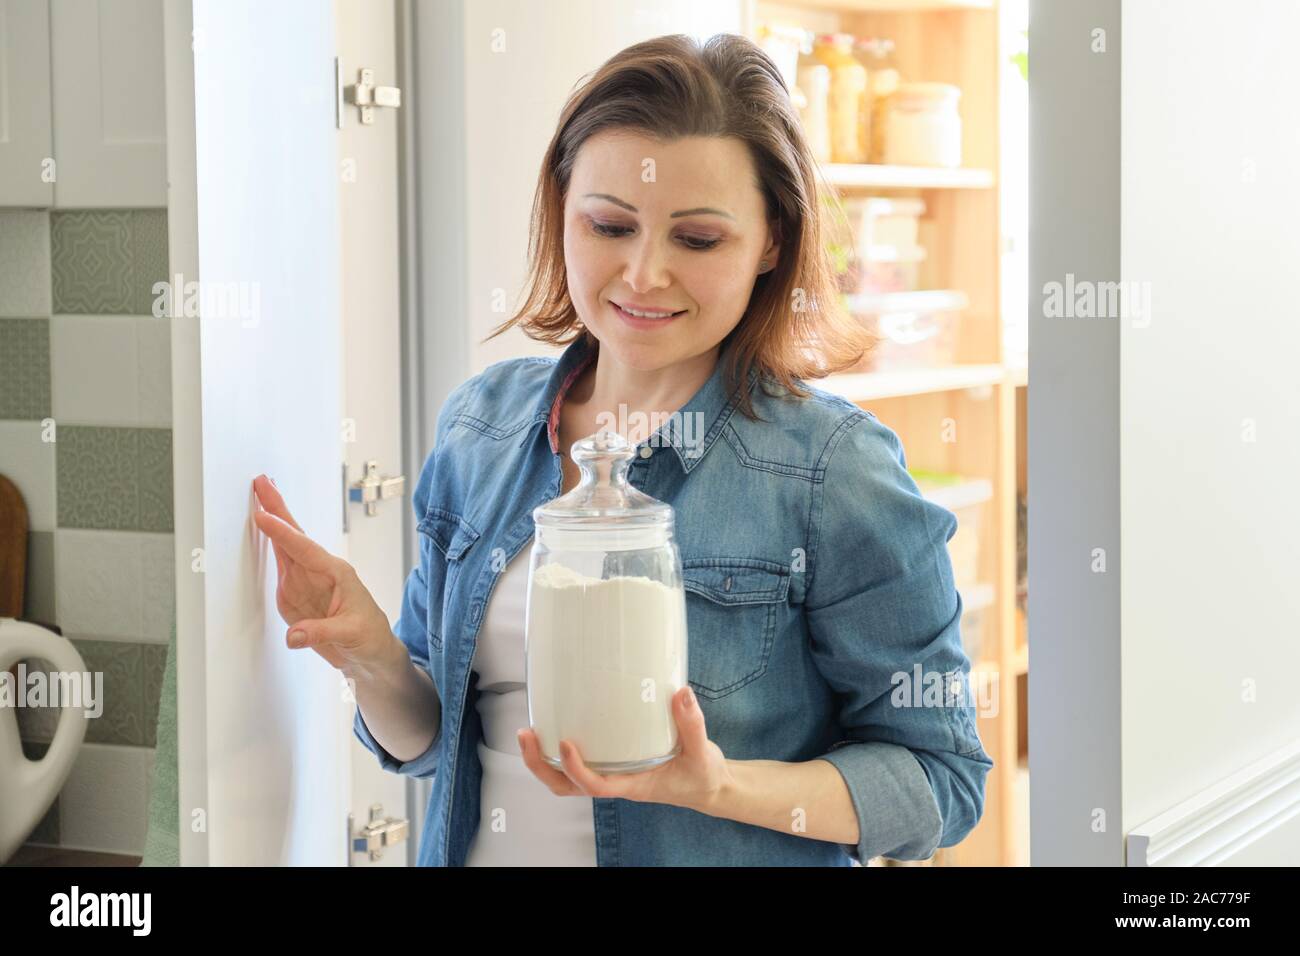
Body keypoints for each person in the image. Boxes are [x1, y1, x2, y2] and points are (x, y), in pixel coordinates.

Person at [252, 32, 993, 867]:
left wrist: (718, 788)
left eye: (699, 239)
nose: (644, 274)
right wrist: (370, 654)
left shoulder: (832, 470)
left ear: (772, 243)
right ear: (562, 212)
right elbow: (431, 743)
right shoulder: (481, 427)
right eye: (609, 225)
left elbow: (942, 778)